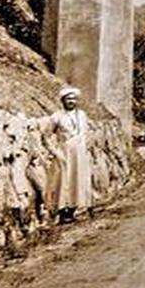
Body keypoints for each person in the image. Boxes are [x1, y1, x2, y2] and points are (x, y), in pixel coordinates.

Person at [49, 86, 92, 223]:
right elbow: (45, 136)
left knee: (78, 179)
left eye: (73, 99)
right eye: (68, 99)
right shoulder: (57, 116)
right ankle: (62, 211)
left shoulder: (82, 115)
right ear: (63, 101)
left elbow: (86, 133)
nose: (71, 101)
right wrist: (55, 152)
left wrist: (86, 148)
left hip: (80, 152)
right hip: (65, 152)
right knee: (64, 181)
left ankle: (74, 209)